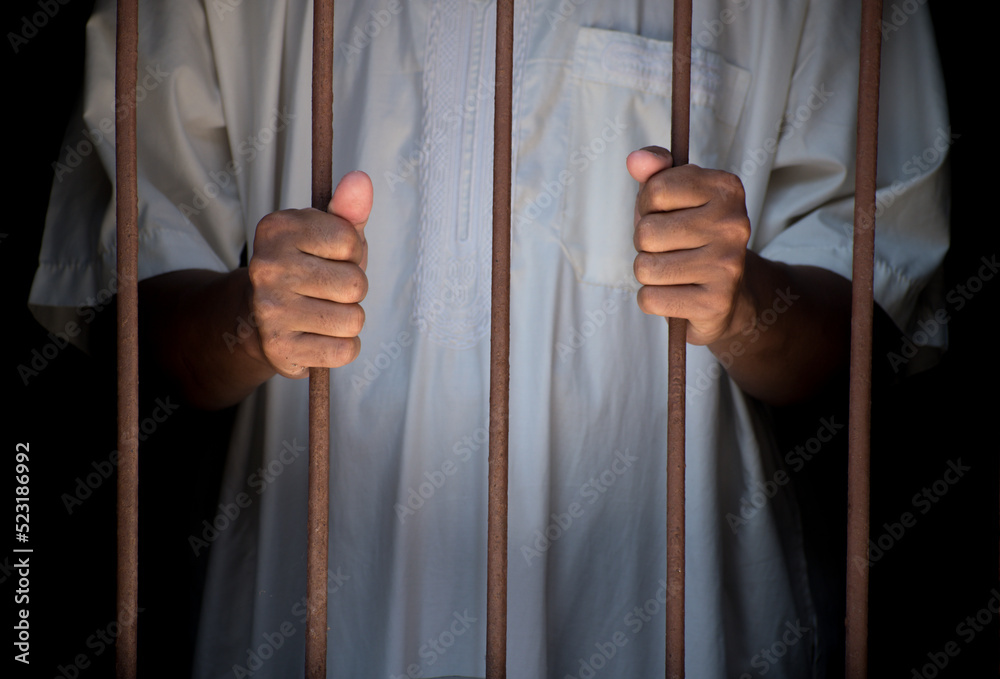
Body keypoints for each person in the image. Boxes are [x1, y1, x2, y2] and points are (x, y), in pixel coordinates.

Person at [29, 0, 949, 677]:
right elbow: (123, 311)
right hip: (307, 629)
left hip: (670, 636)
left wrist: (748, 303)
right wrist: (245, 320)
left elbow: (873, 318)